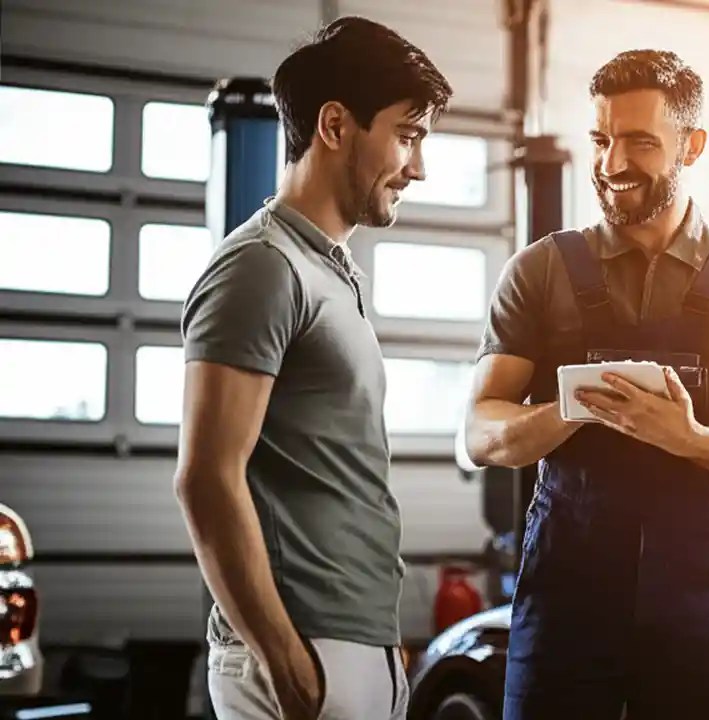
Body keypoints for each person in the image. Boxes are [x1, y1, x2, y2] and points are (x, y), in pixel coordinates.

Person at [465, 49, 709, 719]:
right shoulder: (540, 273)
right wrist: (571, 409)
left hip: (698, 598)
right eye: (601, 140)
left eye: (640, 143)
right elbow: (480, 430)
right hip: (568, 595)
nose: (612, 164)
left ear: (693, 145)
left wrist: (688, 438)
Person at [173, 16, 452, 720]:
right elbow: (206, 479)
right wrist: (284, 660)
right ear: (335, 125)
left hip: (353, 647)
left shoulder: (330, 270)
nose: (417, 167)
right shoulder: (262, 267)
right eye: (407, 135)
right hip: (300, 652)